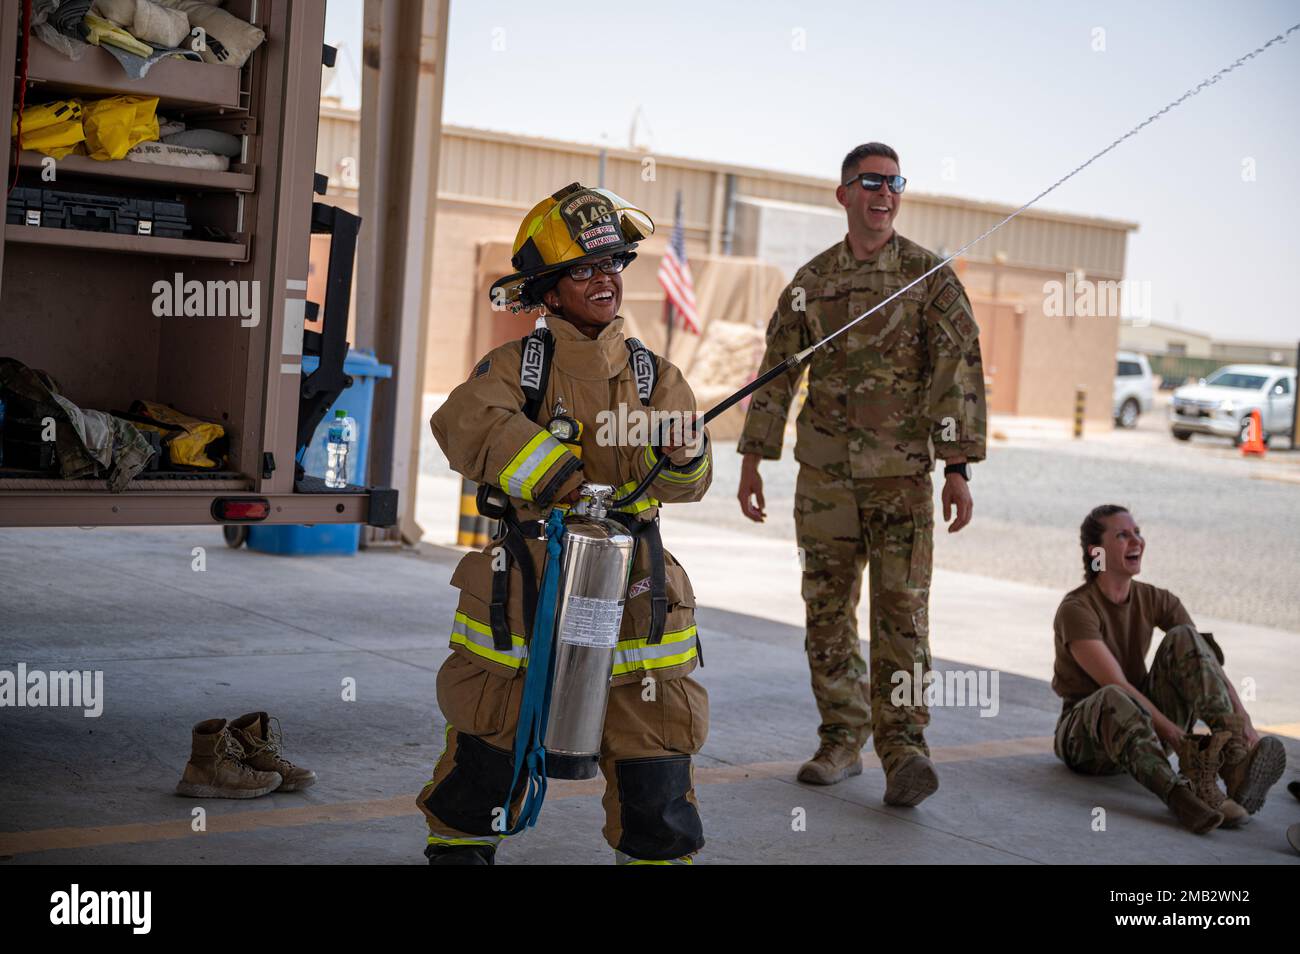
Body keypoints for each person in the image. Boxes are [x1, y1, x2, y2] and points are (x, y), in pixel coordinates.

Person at [417, 183, 713, 864]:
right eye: (583, 269)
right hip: (526, 580)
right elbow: (462, 421)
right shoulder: (517, 369)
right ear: (547, 290)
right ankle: (460, 852)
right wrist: (564, 481)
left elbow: (688, 485)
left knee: (656, 745)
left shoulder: (654, 376)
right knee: (492, 732)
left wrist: (683, 456)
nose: (604, 279)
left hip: (638, 586)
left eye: (612, 265)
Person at [736, 142, 986, 806]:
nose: (885, 192)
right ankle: (840, 740)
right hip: (825, 477)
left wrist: (957, 467)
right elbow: (775, 372)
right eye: (871, 181)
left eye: (895, 182)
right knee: (825, 610)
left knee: (902, 614)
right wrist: (753, 458)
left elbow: (956, 373)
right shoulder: (811, 282)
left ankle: (904, 751)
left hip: (901, 477)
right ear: (843, 193)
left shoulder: (929, 278)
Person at [1052, 504, 1286, 833]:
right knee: (1113, 695)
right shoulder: (1076, 609)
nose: (1136, 540)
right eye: (1122, 535)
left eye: (1137, 532)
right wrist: (1179, 740)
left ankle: (1234, 764)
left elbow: (1206, 663)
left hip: (1144, 734)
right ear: (1097, 553)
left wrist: (1243, 721)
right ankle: (1180, 796)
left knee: (1185, 638)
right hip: (1087, 739)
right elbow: (1118, 685)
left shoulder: (1158, 599)